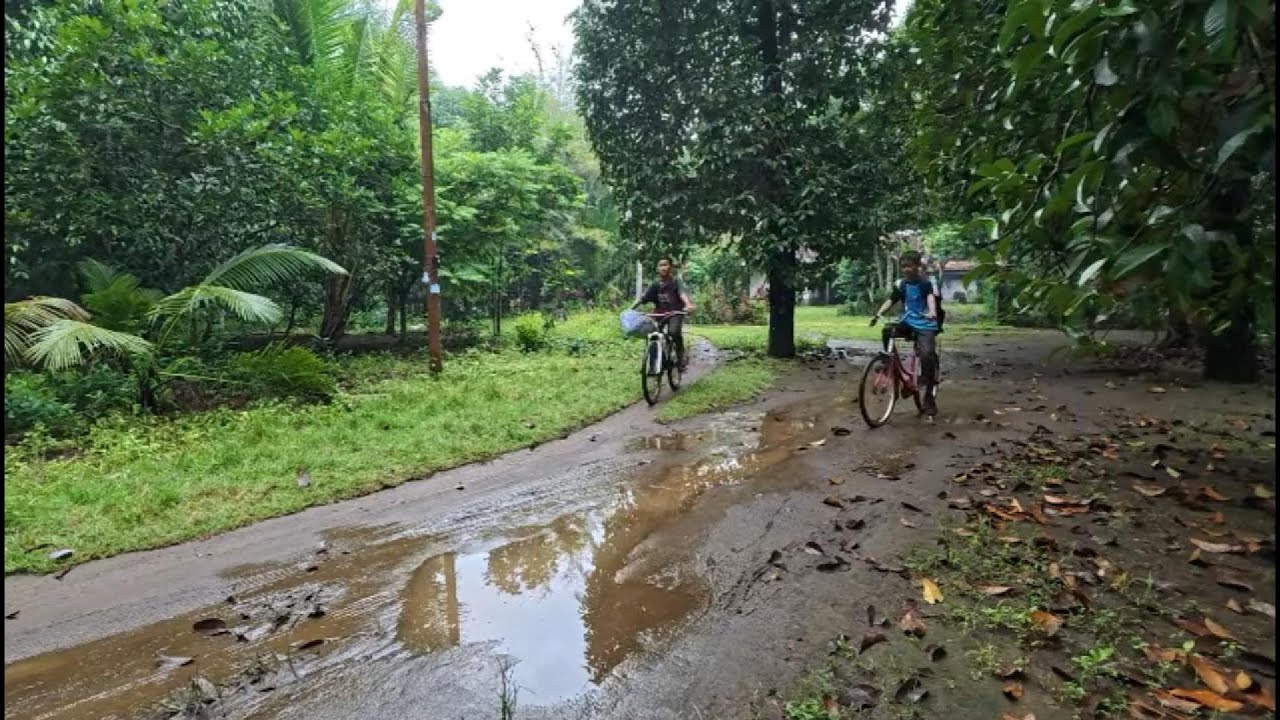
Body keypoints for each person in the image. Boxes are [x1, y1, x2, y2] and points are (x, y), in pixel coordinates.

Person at [871, 250, 940, 417]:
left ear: (918, 266)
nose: (906, 269)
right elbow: (891, 299)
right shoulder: (901, 284)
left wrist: (932, 312)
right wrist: (878, 313)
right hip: (907, 321)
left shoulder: (925, 283)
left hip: (924, 323)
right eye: (903, 266)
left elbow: (930, 298)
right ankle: (889, 362)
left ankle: (929, 396)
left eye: (910, 266)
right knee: (887, 330)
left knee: (927, 354)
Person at [632, 256, 696, 370]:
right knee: (653, 335)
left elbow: (682, 293)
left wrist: (688, 304)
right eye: (661, 265)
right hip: (659, 314)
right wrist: (631, 309)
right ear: (657, 268)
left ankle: (680, 357)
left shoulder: (676, 281)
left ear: (670, 267)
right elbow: (643, 298)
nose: (663, 268)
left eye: (665, 265)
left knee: (673, 332)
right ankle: (653, 362)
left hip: (675, 313)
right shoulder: (655, 284)